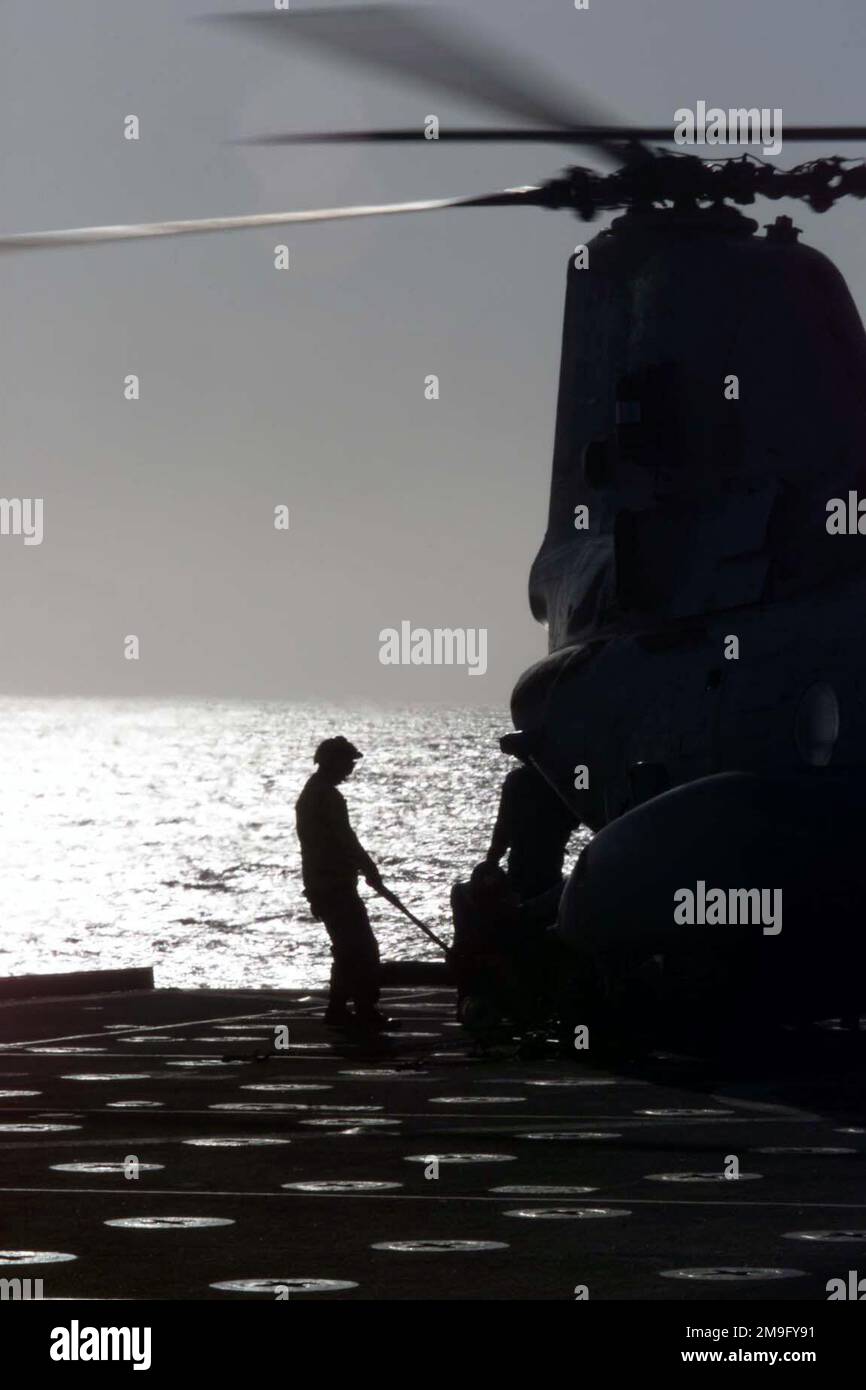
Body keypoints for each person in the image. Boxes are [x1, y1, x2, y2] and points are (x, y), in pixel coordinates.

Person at [295, 736, 390, 1030]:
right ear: (332, 762)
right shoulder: (326, 796)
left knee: (347, 949)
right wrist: (369, 867)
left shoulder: (313, 793)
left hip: (324, 884)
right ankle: (363, 1009)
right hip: (333, 885)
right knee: (362, 948)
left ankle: (339, 1009)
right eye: (347, 761)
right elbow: (344, 838)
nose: (350, 767)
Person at [486, 761, 579, 901]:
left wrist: (492, 859)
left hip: (524, 860)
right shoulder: (571, 776)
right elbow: (577, 814)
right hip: (550, 858)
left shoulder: (517, 779)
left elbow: (503, 826)